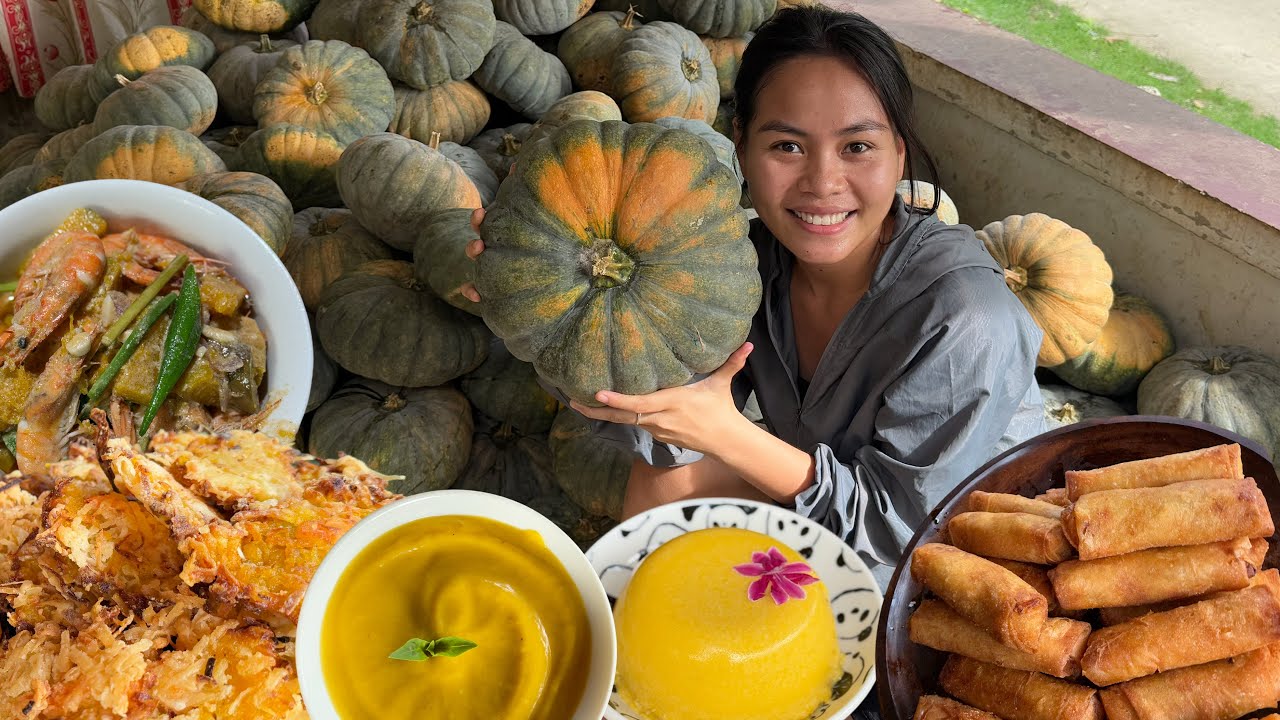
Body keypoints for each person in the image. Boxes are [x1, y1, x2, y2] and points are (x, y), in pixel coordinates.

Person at [464, 6, 1045, 590]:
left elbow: (907, 533)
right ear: (739, 144)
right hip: (839, 496)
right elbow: (646, 389)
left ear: (899, 150)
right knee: (665, 481)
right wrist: (535, 292)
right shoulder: (749, 265)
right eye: (788, 146)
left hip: (971, 561)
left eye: (857, 147)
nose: (822, 182)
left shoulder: (967, 316)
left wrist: (723, 431)